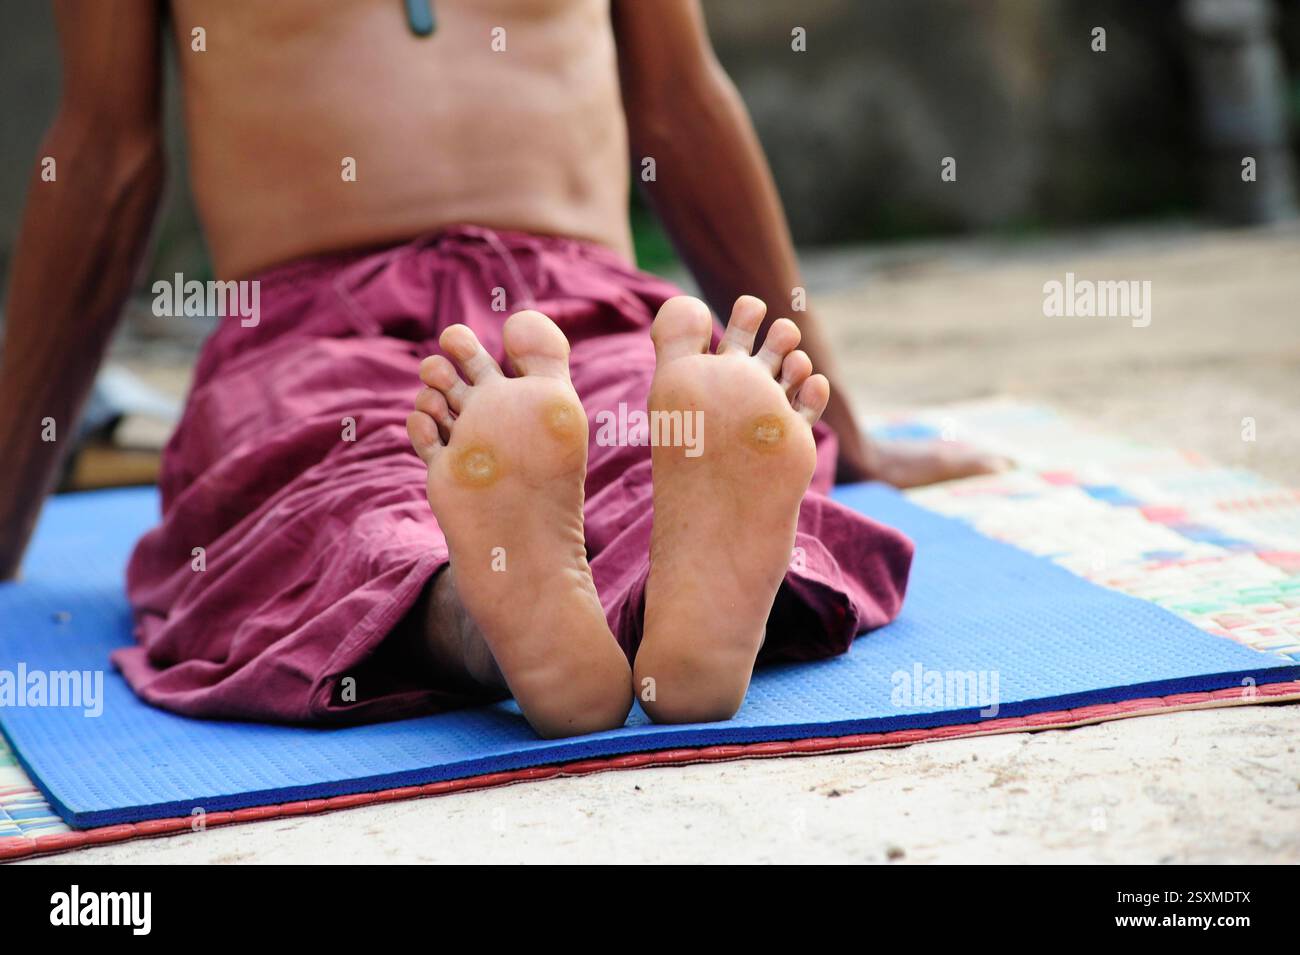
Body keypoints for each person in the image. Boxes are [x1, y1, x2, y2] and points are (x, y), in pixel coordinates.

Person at [0, 0, 1001, 737]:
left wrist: (847, 435)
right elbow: (104, 159)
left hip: (581, 309)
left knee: (656, 447)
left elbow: (680, 108)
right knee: (331, 495)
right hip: (311, 322)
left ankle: (580, 619)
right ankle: (561, 614)